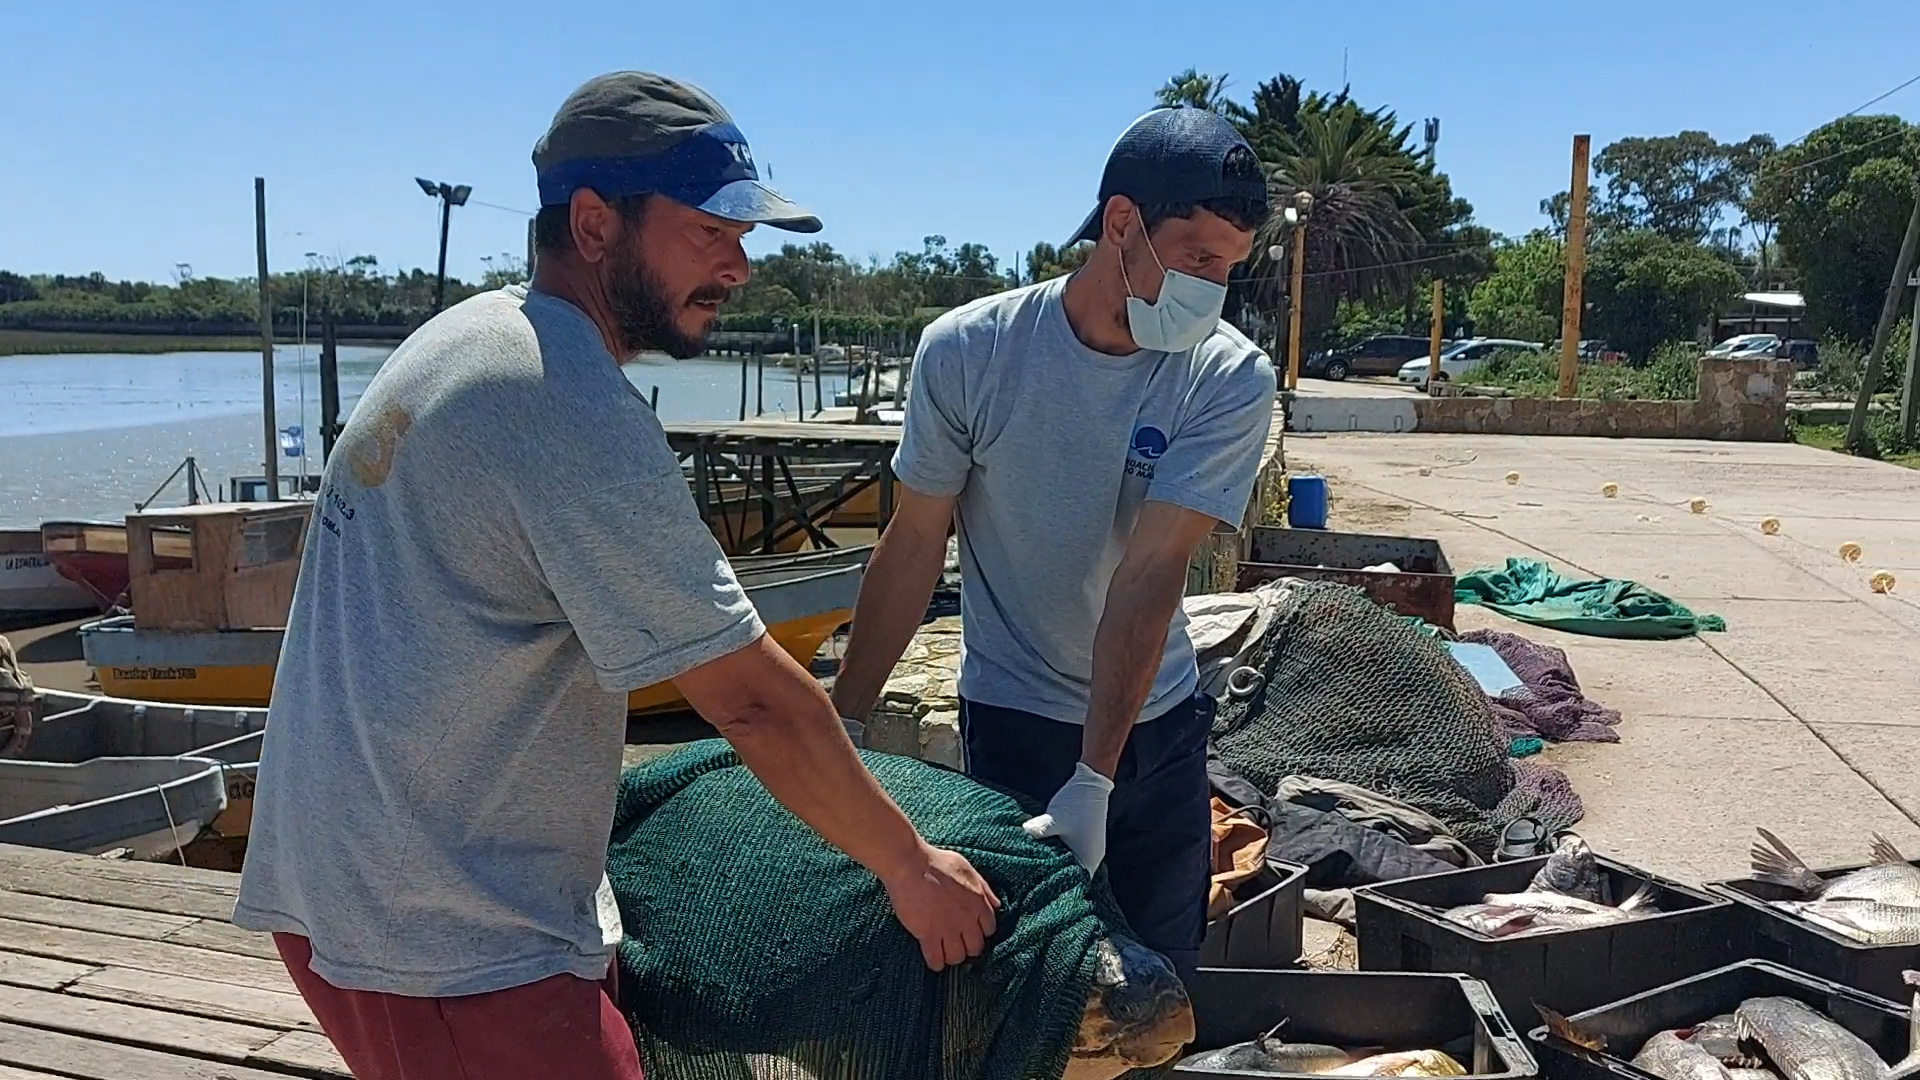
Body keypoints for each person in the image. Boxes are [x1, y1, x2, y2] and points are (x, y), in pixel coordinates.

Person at [233, 70, 999, 1080]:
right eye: (710, 232)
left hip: (352, 889)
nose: (739, 267)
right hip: (447, 940)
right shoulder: (561, 400)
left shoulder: (468, 337)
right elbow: (749, 699)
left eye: (743, 239)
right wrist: (911, 867)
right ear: (595, 224)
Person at [829, 106, 1275, 982]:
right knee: (1021, 988)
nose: (1213, 286)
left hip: (1157, 727)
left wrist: (1097, 779)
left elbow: (1149, 575)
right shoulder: (969, 353)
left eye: (1229, 266)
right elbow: (913, 544)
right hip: (1014, 724)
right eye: (1198, 257)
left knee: (1163, 984)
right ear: (1122, 223)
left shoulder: (1228, 376)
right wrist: (842, 722)